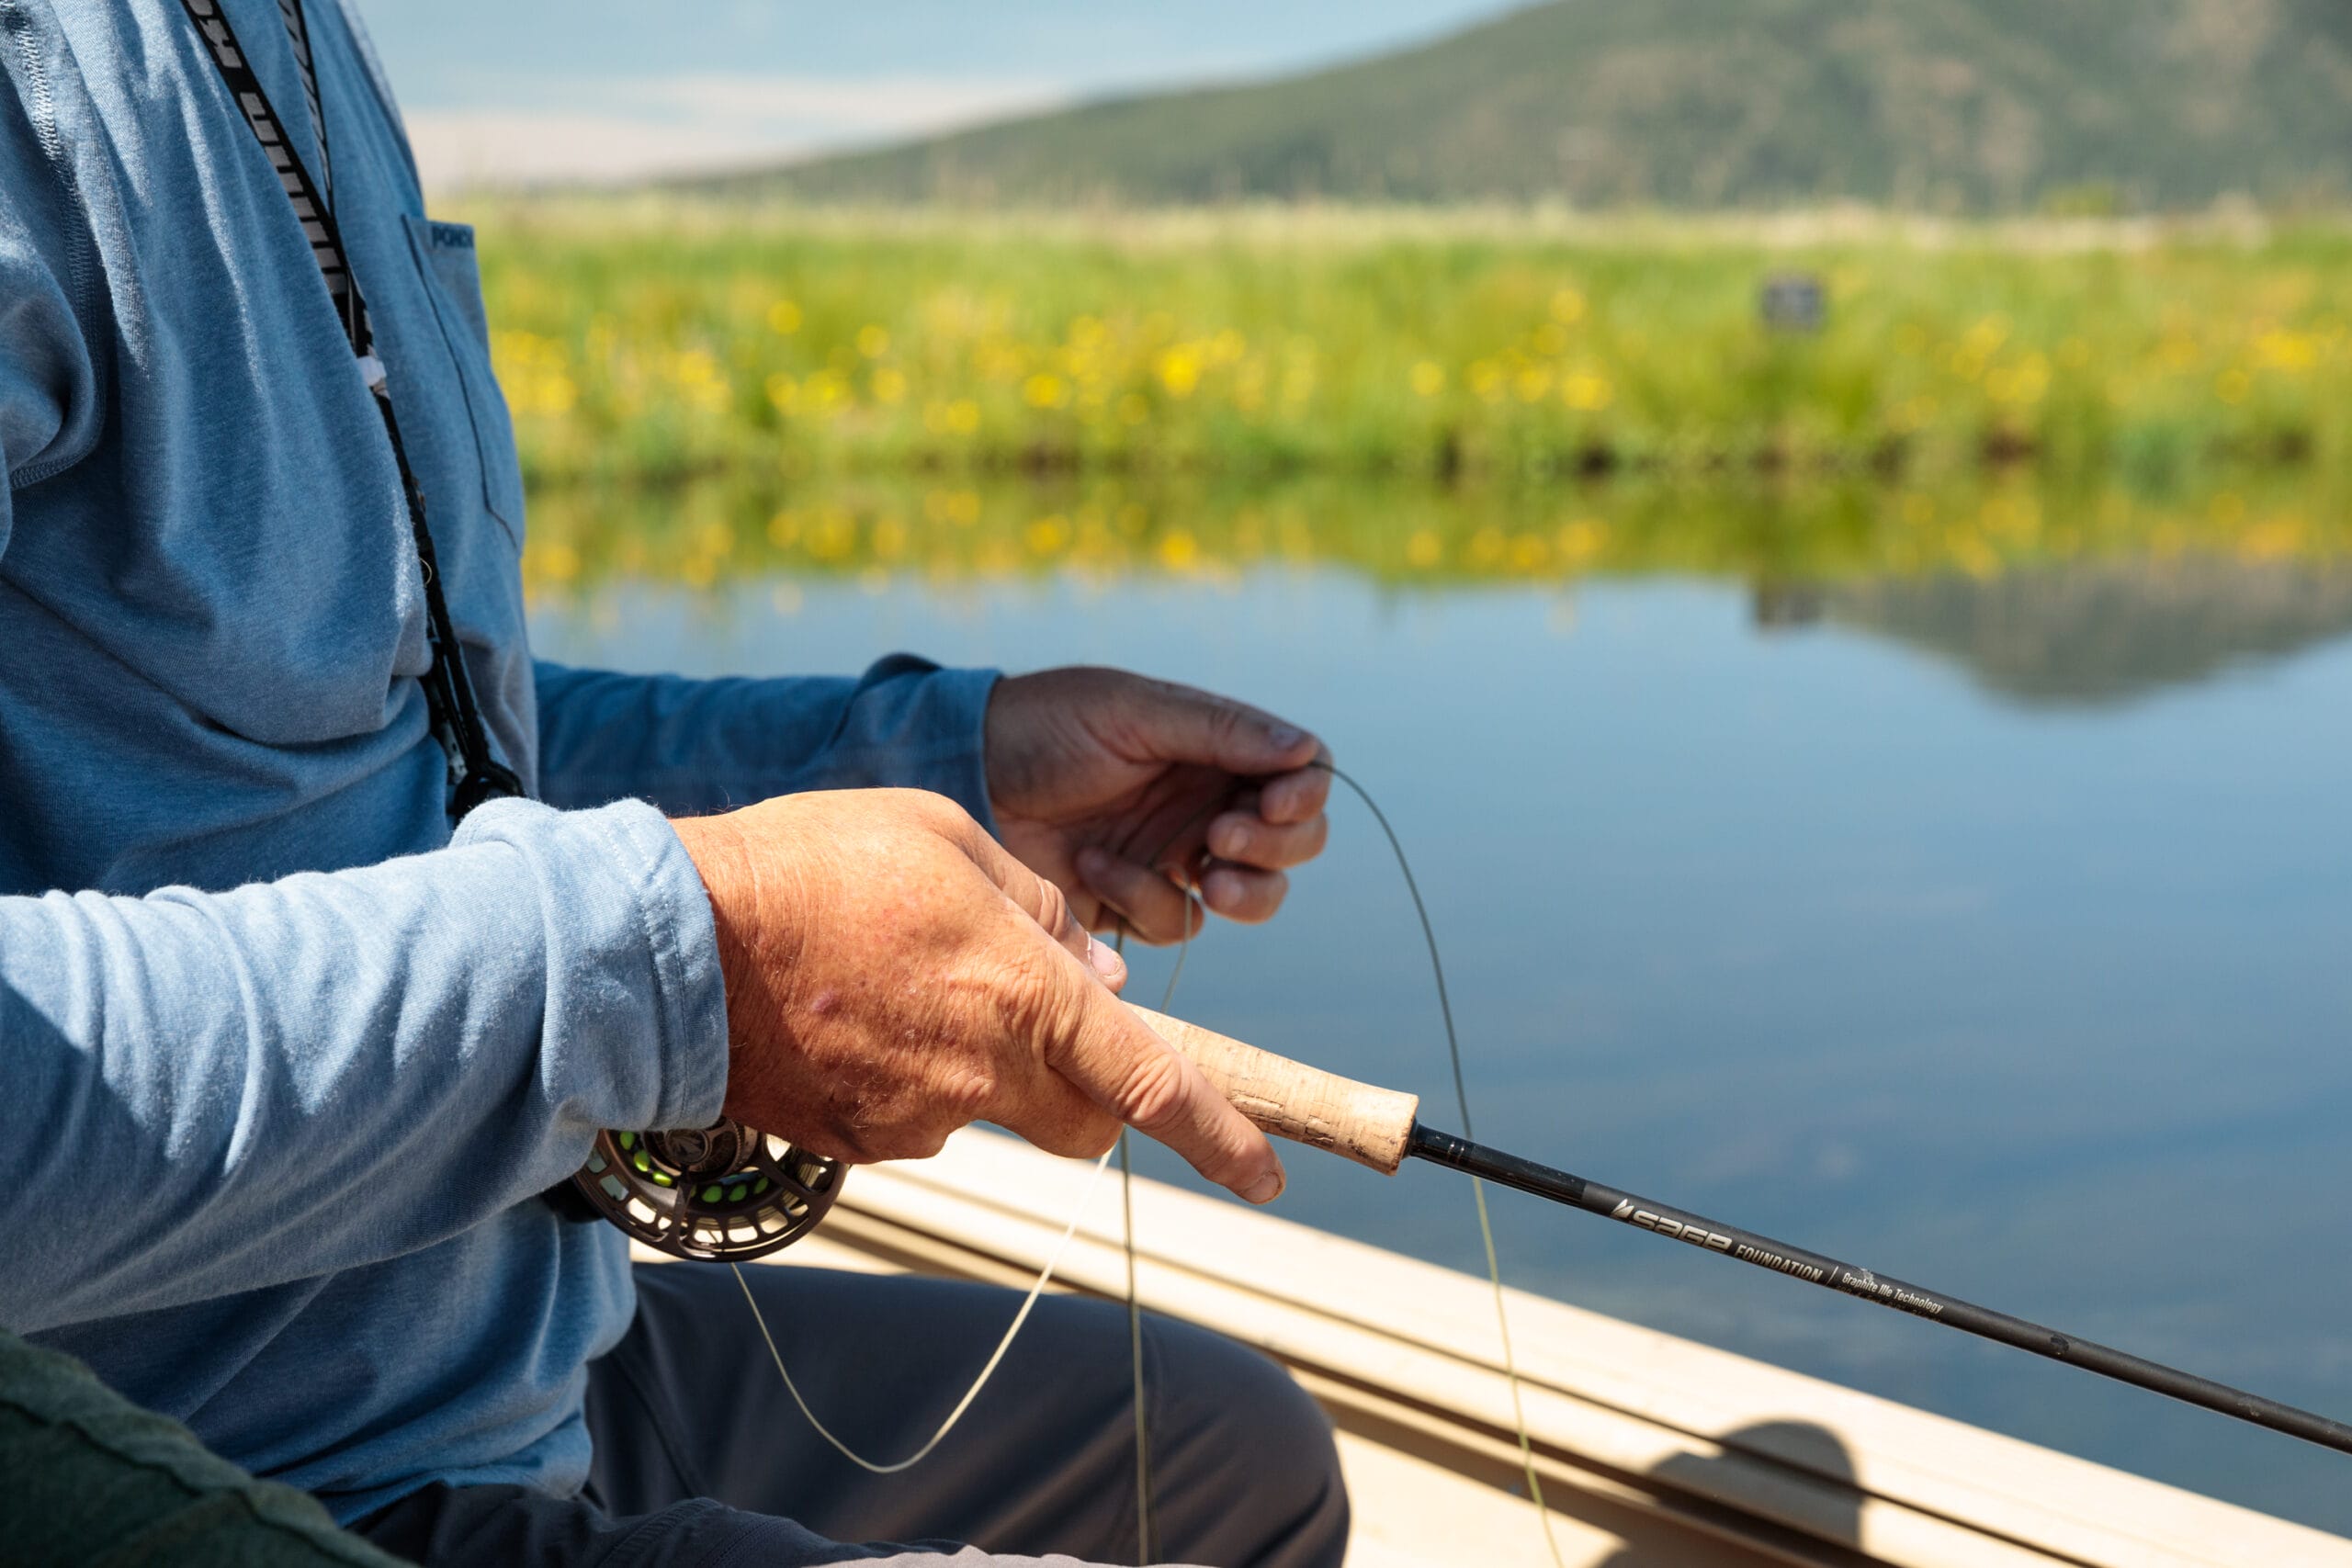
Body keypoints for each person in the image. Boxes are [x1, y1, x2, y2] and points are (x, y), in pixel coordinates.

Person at [0, 2, 1347, 1563]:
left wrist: (930, 770)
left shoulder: (299, 40)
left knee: (1233, 1461)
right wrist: (696, 960)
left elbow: (370, 750)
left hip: (513, 1348)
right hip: (190, 1459)